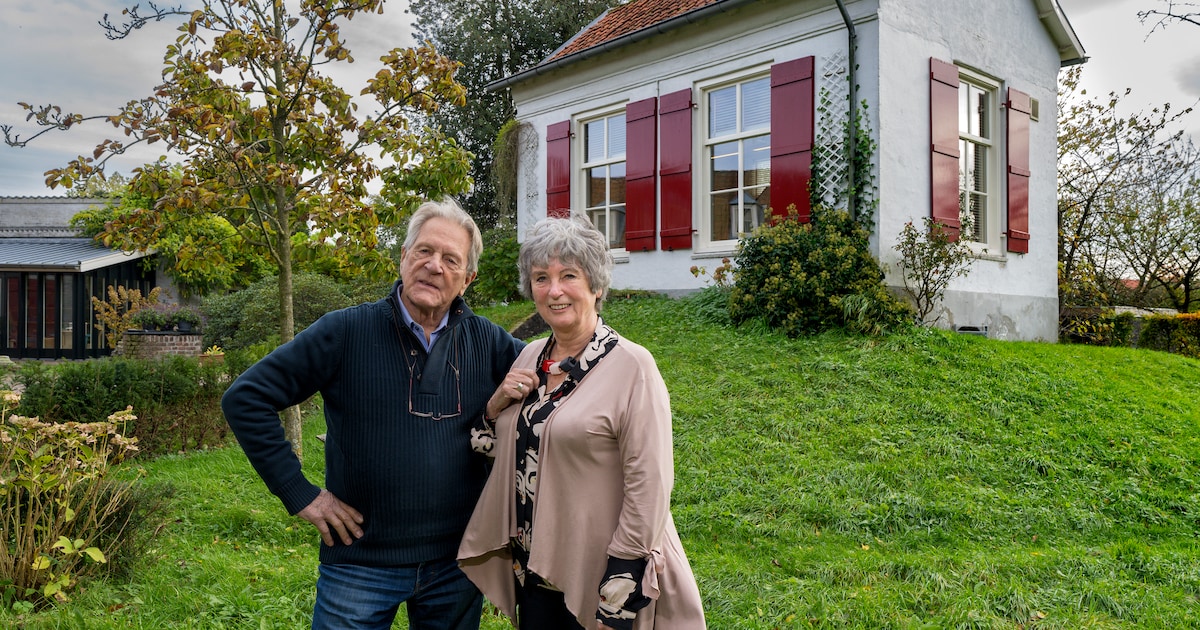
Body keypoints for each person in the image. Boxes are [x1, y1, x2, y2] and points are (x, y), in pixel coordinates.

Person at [221, 198, 524, 629]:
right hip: (360, 563)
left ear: (467, 279)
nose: (433, 266)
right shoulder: (345, 331)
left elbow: (554, 392)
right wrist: (299, 493)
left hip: (456, 565)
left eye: (450, 259)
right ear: (403, 257)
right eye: (423, 250)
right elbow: (245, 398)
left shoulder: (490, 343)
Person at [458, 215, 706, 629]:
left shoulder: (632, 366)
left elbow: (650, 485)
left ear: (596, 285)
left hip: (601, 573)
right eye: (541, 278)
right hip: (537, 570)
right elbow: (491, 448)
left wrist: (619, 589)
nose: (553, 291)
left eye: (568, 275)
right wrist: (495, 405)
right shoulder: (530, 356)